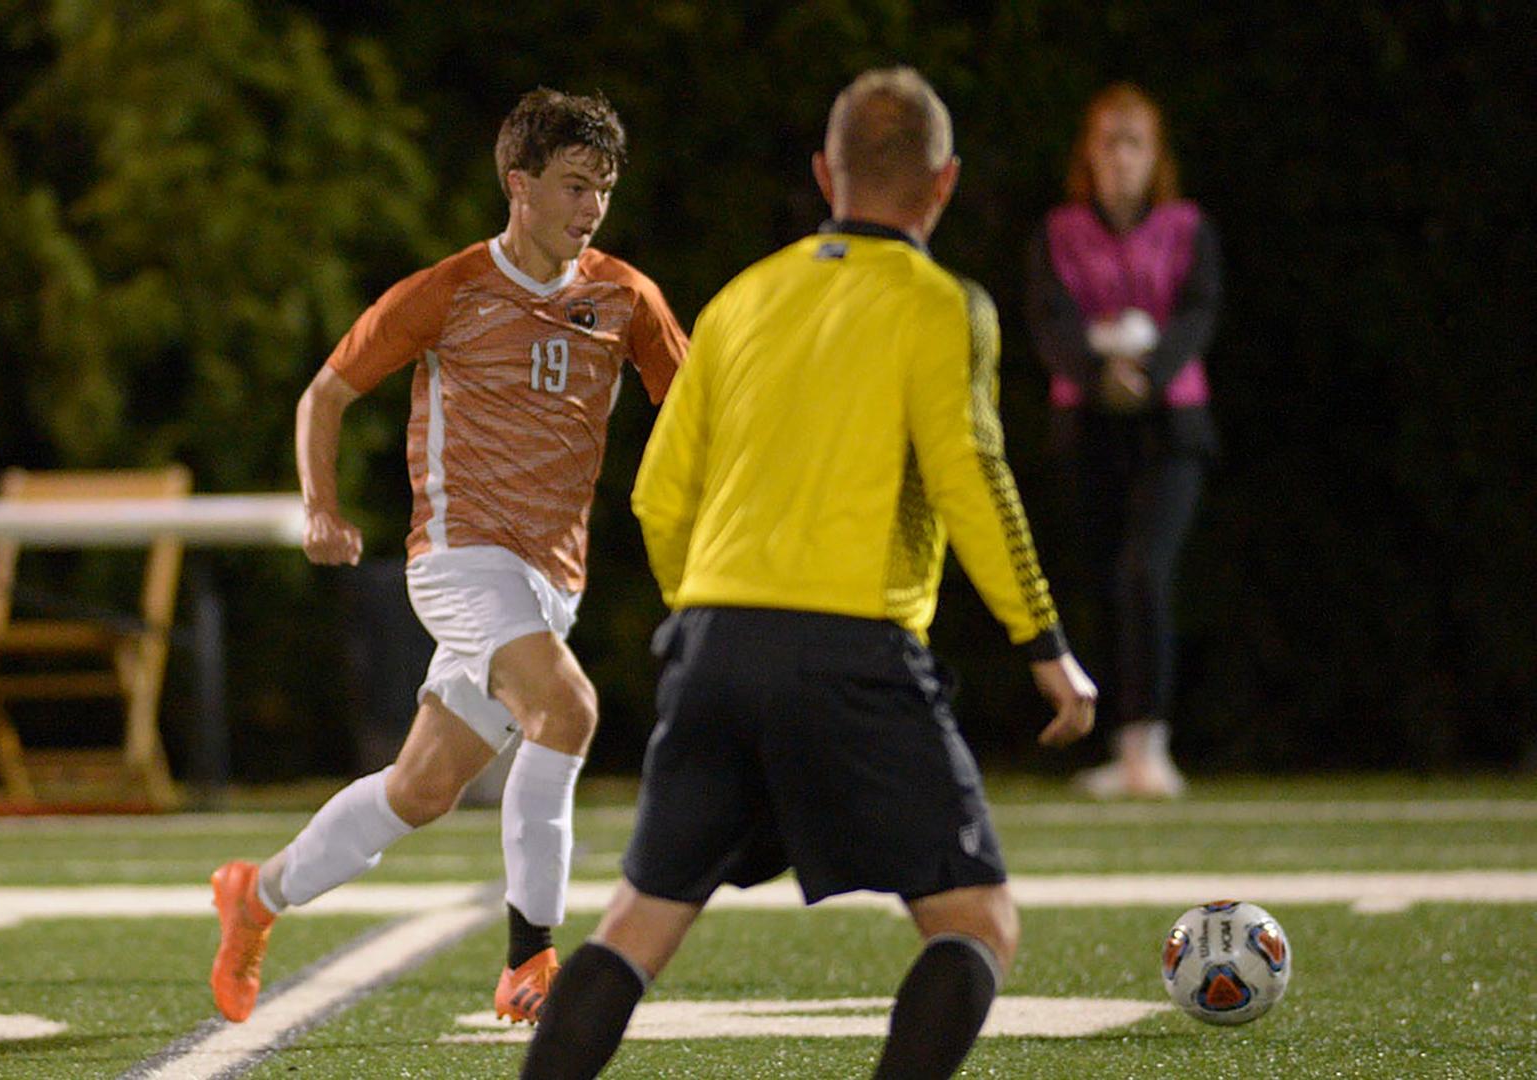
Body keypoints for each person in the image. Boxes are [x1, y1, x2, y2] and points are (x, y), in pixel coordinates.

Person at [521, 69, 1097, 1079]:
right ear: (944, 183)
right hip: (850, 650)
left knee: (634, 926)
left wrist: (707, 622)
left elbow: (658, 497)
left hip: (711, 642)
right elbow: (972, 475)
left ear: (825, 173)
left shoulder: (743, 298)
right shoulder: (940, 304)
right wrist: (1042, 645)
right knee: (975, 920)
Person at [208, 88, 687, 1027]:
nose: (592, 208)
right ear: (520, 185)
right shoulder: (453, 288)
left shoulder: (627, 297)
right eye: (574, 186)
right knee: (569, 708)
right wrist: (322, 509)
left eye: (605, 189)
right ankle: (530, 961)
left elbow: (698, 415)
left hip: (553, 580)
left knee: (422, 790)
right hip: (461, 558)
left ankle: (254, 896)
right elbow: (326, 395)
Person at [1025, 83, 1221, 800]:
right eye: (1108, 143)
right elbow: (1051, 321)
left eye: (1133, 143)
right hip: (1090, 423)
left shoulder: (1187, 226)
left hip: (1171, 425)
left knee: (1146, 569)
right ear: (1090, 154)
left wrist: (1148, 370)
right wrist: (1097, 370)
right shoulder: (1059, 231)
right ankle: (1120, 745)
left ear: (1154, 155)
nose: (1120, 159)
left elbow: (1198, 312)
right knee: (1106, 581)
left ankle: (1153, 740)